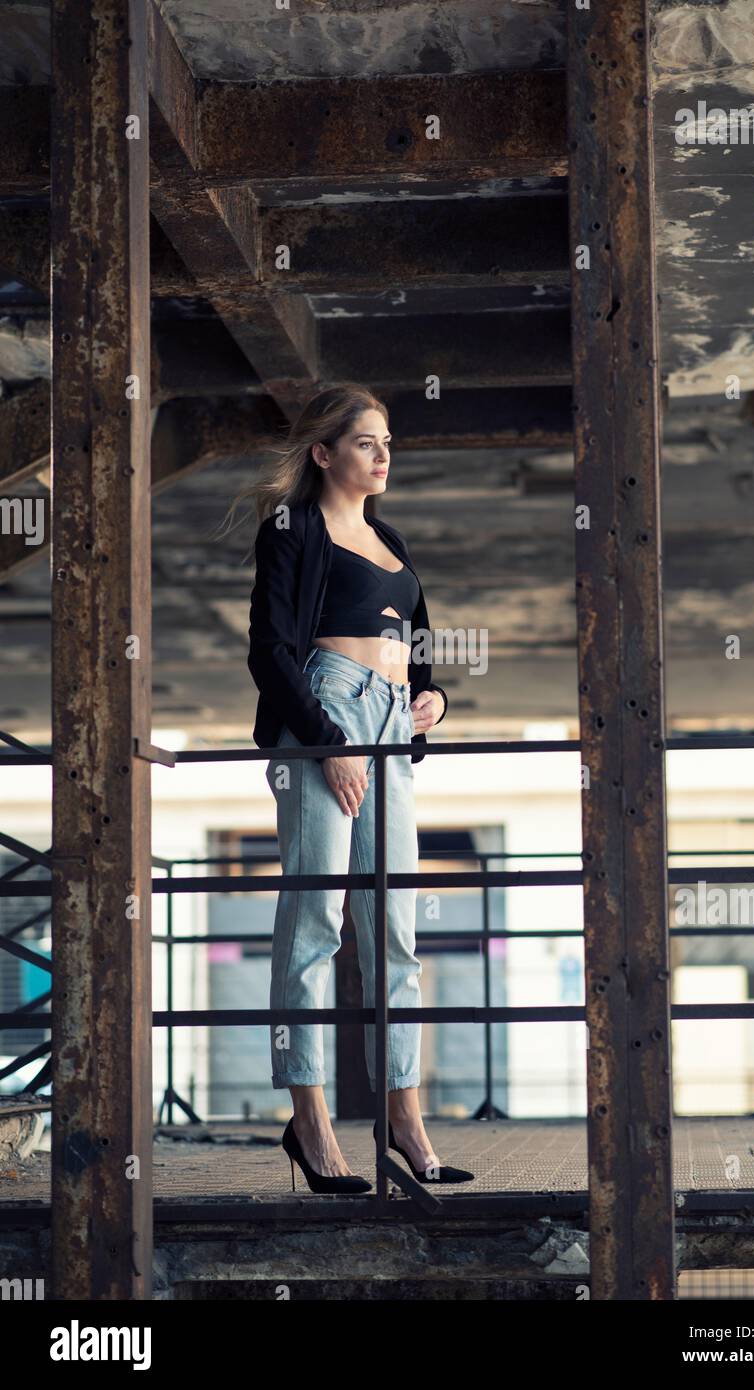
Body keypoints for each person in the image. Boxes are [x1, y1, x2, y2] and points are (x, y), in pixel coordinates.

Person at [217, 383, 474, 1193]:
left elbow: (415, 643)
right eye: (367, 442)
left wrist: (434, 698)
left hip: (391, 727)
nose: (383, 454)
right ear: (324, 453)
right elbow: (269, 651)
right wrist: (327, 744)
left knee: (395, 931)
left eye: (387, 441)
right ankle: (312, 1123)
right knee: (314, 924)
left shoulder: (390, 538)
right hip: (323, 717)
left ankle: (404, 1117)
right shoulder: (293, 528)